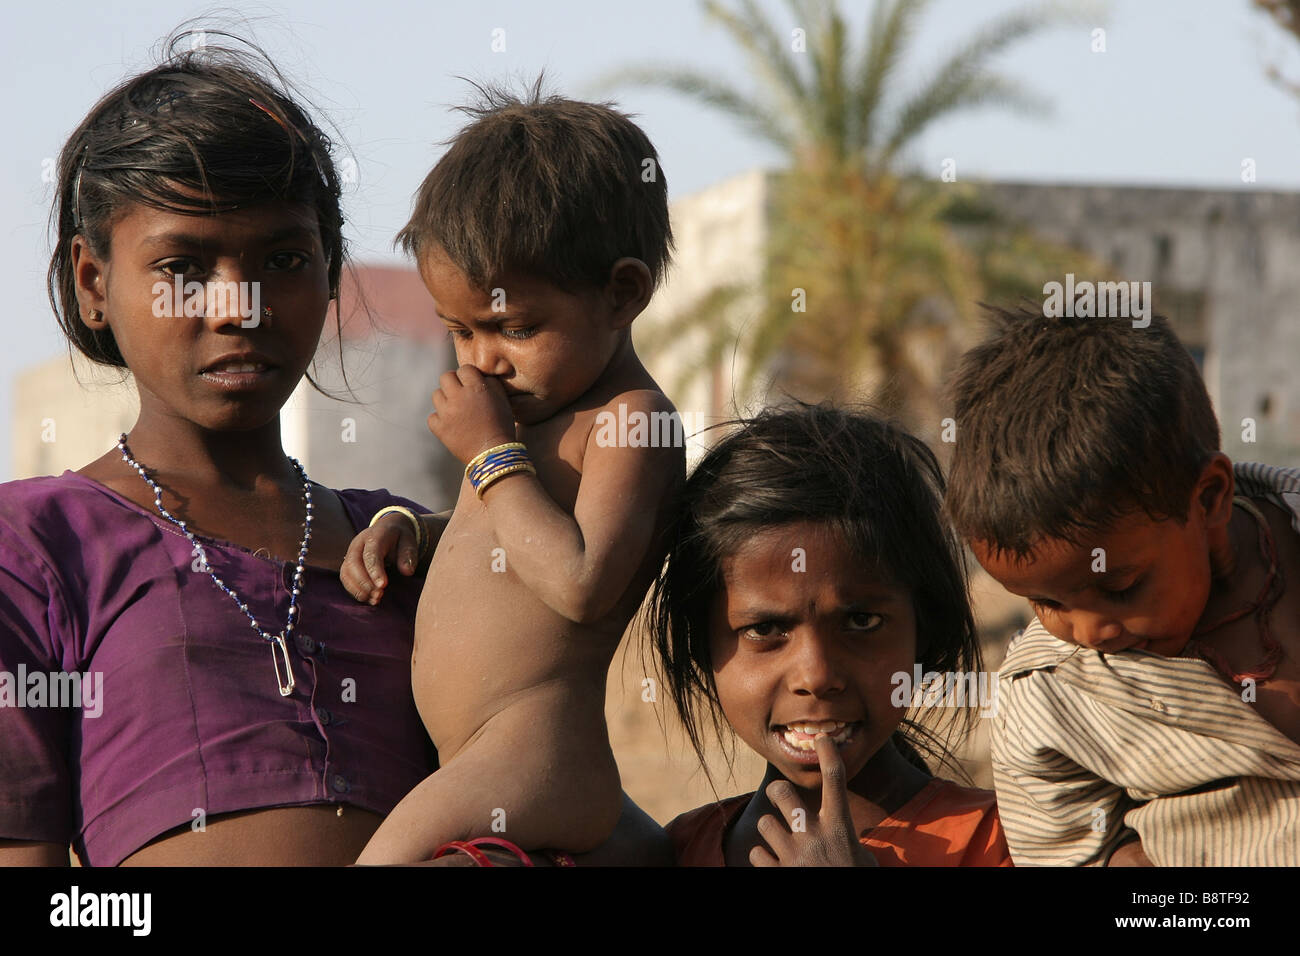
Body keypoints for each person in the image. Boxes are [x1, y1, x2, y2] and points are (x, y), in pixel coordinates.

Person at [0, 33, 437, 866]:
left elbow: (544, 777)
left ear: (331, 269)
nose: (239, 306)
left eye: (283, 259)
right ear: (94, 282)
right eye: (184, 267)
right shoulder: (34, 551)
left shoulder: (409, 548)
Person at [341, 83, 683, 865]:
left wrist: (490, 458)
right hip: (478, 755)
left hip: (534, 756)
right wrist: (411, 532)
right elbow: (495, 538)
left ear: (622, 293)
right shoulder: (524, 419)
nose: (482, 358)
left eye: (515, 327)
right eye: (460, 330)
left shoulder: (631, 421)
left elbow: (581, 582)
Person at [945, 305, 1300, 866]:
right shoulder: (1049, 696)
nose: (1091, 631)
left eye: (1120, 587)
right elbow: (1069, 853)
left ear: (1209, 497)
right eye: (1046, 602)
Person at [646, 404, 1012, 866]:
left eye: (861, 622)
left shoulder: (1001, 844)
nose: (816, 675)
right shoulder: (675, 852)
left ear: (924, 629)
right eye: (764, 629)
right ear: (703, 648)